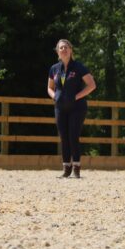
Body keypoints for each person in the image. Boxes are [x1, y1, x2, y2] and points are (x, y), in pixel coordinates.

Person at [47, 39, 96, 178]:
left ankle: (76, 168)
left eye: (66, 47)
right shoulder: (54, 69)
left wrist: (76, 96)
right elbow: (50, 87)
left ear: (71, 50)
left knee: (73, 136)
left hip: (77, 107)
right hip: (60, 107)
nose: (64, 49)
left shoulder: (79, 67)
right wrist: (54, 96)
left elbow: (92, 85)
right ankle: (66, 168)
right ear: (57, 52)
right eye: (61, 48)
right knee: (64, 137)